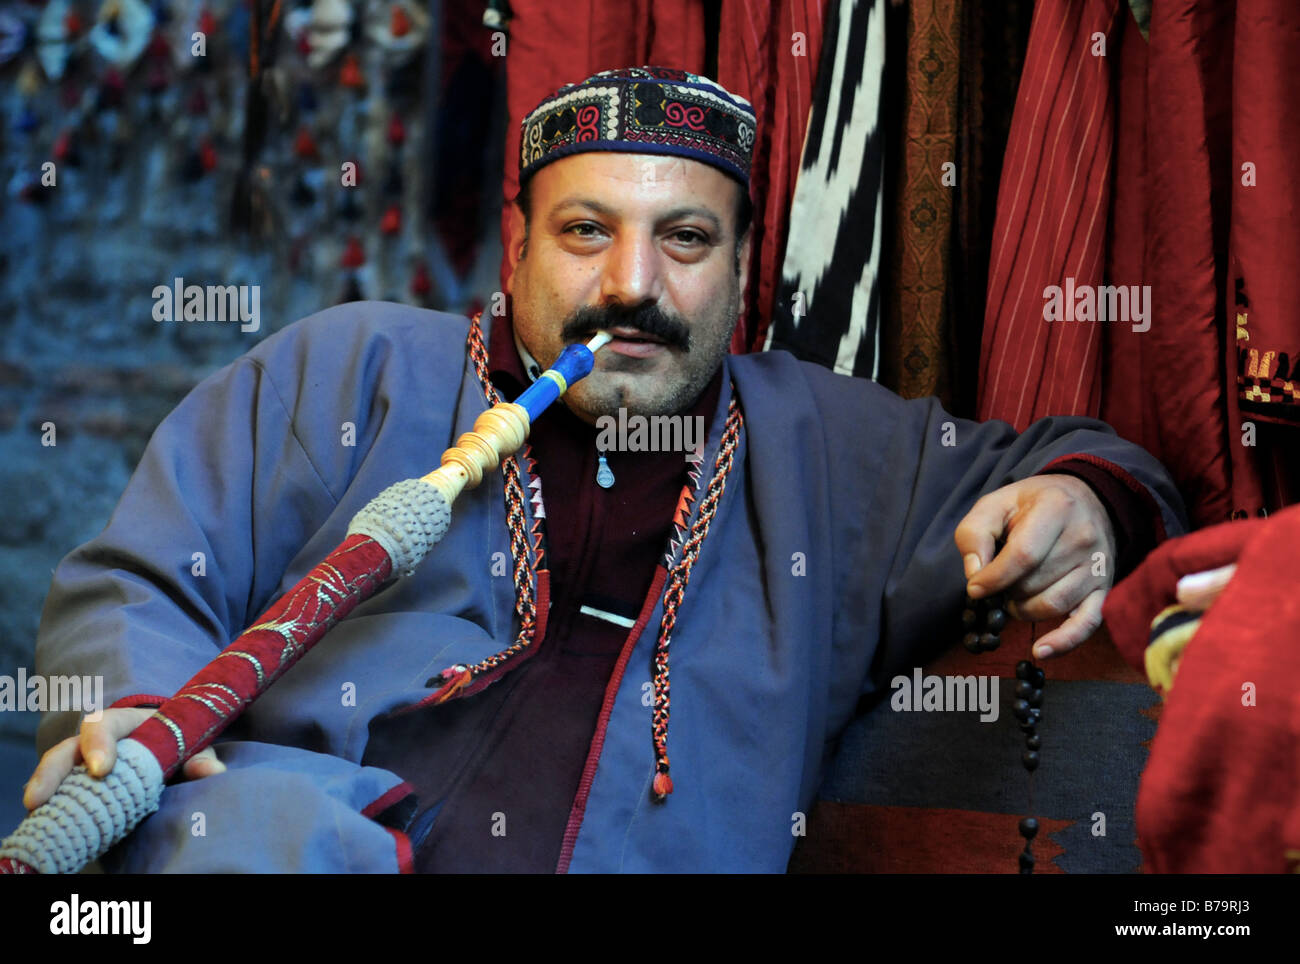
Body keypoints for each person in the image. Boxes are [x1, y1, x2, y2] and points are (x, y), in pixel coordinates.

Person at [16, 66, 1186, 872]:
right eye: (586, 232)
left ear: (742, 276)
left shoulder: (835, 450)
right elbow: (143, 579)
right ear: (517, 246)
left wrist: (1084, 502)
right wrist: (130, 719)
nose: (633, 283)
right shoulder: (349, 368)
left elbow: (1087, 459)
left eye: (685, 239)